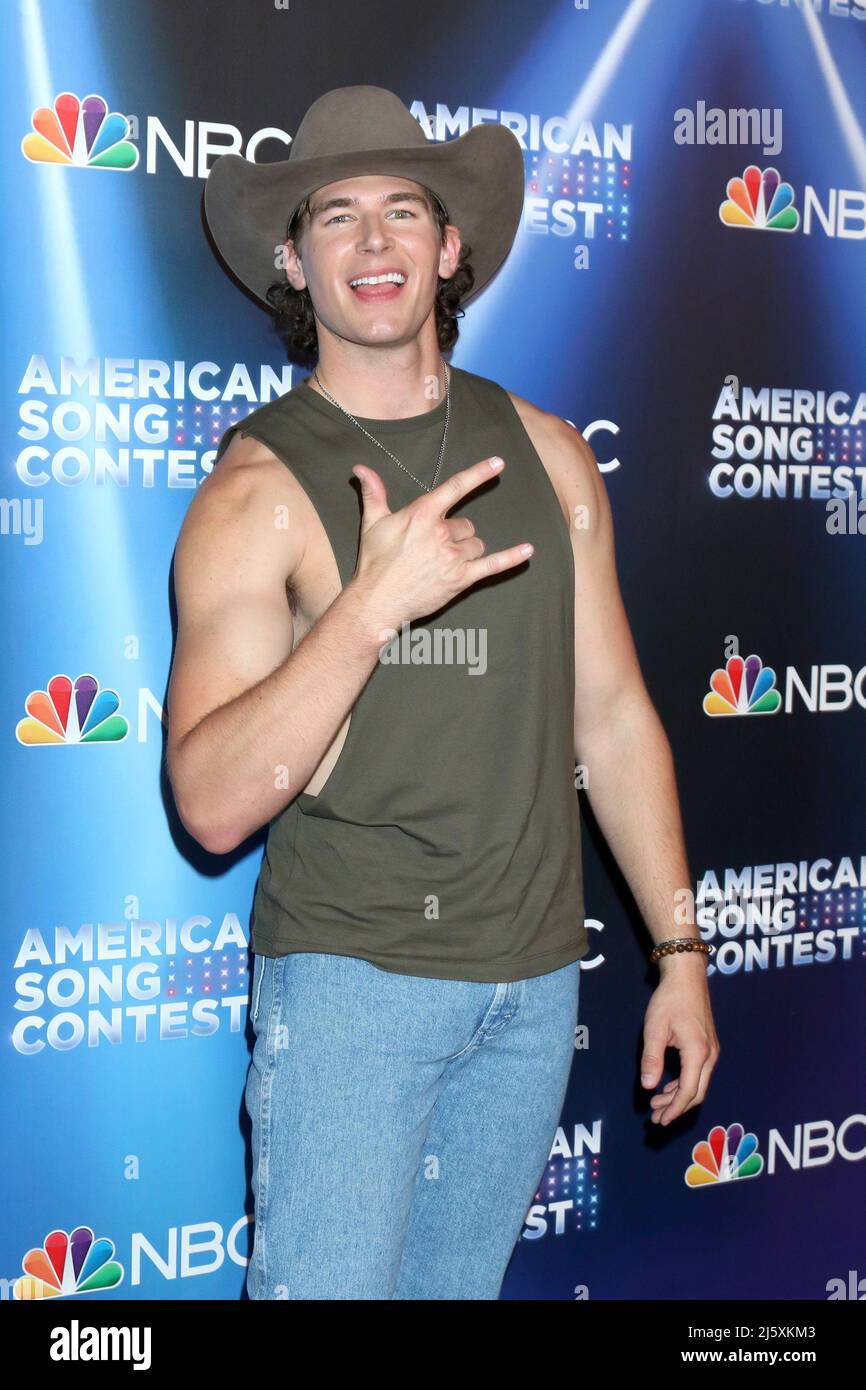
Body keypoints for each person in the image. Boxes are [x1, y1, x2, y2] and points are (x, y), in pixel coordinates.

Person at [167, 86, 720, 1300]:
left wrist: (676, 952)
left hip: (528, 993)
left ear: (449, 246)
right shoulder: (252, 491)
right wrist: (370, 607)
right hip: (351, 989)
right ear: (292, 260)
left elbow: (614, 719)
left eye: (403, 212)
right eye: (338, 217)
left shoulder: (552, 453)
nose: (374, 243)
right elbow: (209, 804)